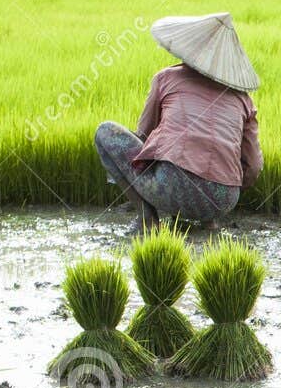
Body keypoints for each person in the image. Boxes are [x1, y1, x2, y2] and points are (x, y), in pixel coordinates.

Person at [95, 13, 263, 232]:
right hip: (224, 199)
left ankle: (147, 218)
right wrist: (223, 185)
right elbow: (253, 166)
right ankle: (209, 222)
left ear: (189, 48)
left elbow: (142, 139)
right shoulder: (243, 100)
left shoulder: (166, 78)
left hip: (172, 186)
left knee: (105, 131)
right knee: (207, 174)